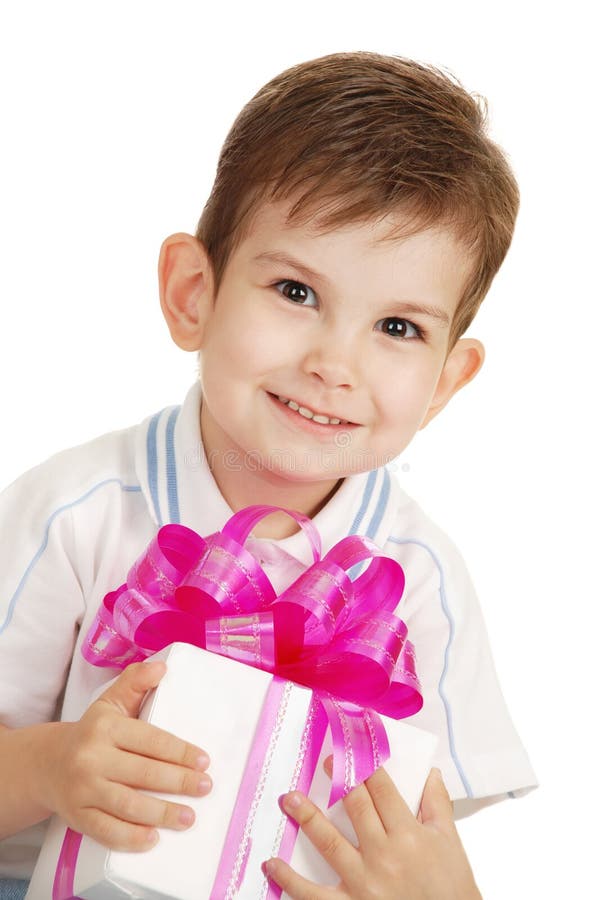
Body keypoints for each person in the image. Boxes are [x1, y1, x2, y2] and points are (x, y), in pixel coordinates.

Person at [0, 51, 536, 898]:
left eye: (397, 327)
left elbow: (422, 842)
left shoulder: (419, 580)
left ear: (445, 381)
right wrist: (52, 766)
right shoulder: (73, 515)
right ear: (193, 294)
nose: (335, 363)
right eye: (295, 291)